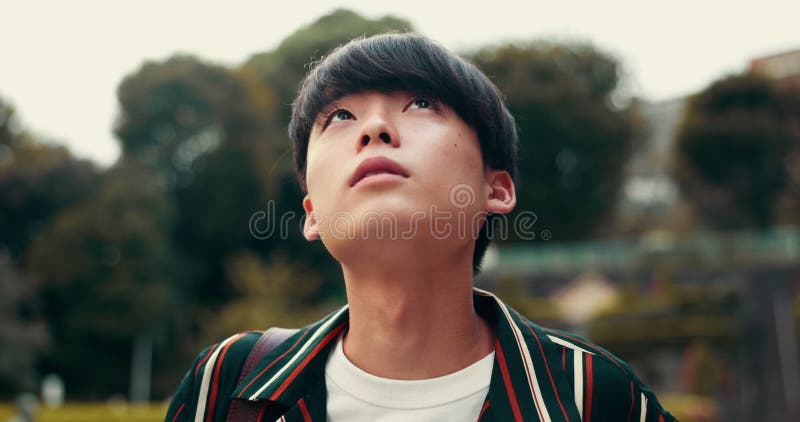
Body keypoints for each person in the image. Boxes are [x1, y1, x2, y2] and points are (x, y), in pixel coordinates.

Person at [165, 32, 676, 422]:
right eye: (340, 116)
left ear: (495, 190)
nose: (374, 128)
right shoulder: (227, 387)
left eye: (421, 104)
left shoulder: (595, 397)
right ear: (312, 214)